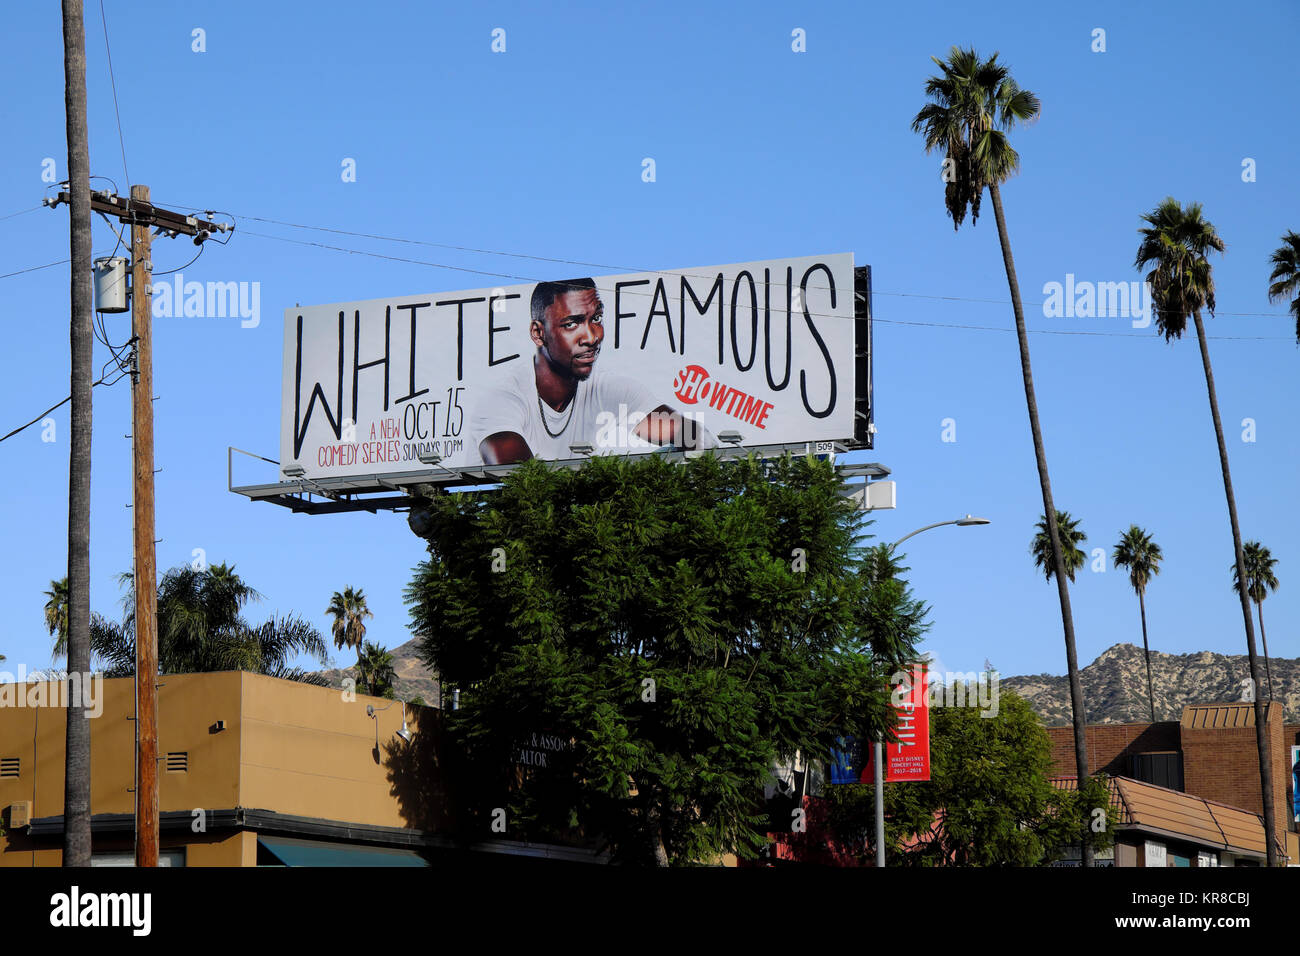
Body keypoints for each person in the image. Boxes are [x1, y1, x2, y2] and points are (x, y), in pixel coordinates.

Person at [472, 278, 712, 464]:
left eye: (596, 318)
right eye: (571, 324)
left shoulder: (611, 388)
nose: (591, 337)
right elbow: (525, 486)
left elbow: (693, 434)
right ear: (538, 333)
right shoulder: (502, 400)